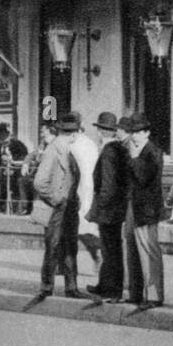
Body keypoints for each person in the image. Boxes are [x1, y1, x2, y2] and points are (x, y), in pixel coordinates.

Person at [33, 111, 86, 298]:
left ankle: (71, 287)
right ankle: (46, 287)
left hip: (68, 206)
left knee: (70, 246)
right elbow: (40, 182)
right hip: (57, 208)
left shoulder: (66, 150)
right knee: (54, 246)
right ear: (73, 133)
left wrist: (74, 198)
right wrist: (57, 199)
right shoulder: (53, 151)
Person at [123, 114, 165, 309]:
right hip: (134, 205)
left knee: (149, 251)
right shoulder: (135, 150)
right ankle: (135, 292)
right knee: (132, 249)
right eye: (132, 132)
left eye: (138, 132)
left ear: (147, 132)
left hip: (147, 209)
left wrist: (133, 158)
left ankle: (154, 296)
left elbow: (144, 177)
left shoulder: (152, 151)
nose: (134, 136)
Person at [86, 113, 128, 301]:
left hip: (109, 208)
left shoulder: (109, 150)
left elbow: (108, 183)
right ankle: (104, 285)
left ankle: (111, 289)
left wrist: (102, 206)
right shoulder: (119, 148)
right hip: (116, 207)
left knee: (110, 249)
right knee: (110, 248)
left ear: (101, 131)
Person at [69, 114, 101, 275]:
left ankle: (97, 254)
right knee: (81, 227)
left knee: (78, 228)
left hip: (78, 192)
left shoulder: (73, 145)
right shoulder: (90, 143)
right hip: (89, 190)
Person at [0, 124, 28, 213]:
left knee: (19, 182)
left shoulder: (18, 144)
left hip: (16, 172)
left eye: (3, 136)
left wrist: (11, 160)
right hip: (3, 173)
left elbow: (24, 158)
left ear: (7, 134)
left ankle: (22, 207)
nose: (1, 139)